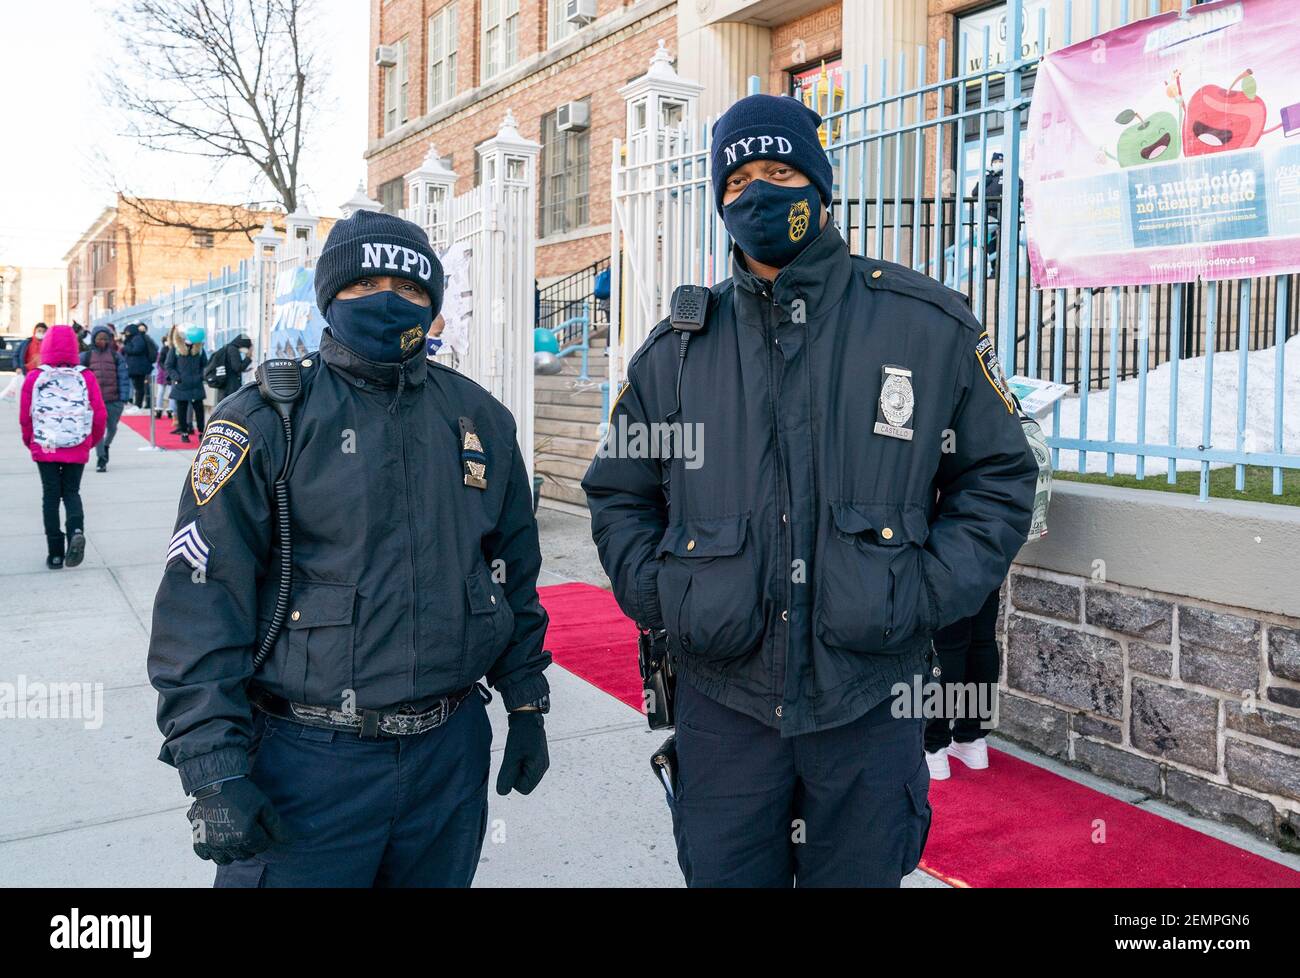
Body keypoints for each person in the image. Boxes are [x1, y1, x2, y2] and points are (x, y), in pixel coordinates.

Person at [582, 94, 1037, 888]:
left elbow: (998, 477)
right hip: (723, 702)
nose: (761, 192)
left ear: (820, 186)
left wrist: (925, 593)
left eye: (782, 170)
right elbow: (620, 489)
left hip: (870, 700)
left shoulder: (925, 325)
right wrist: (663, 595)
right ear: (720, 202)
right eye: (740, 180)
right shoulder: (677, 353)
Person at [147, 210, 552, 887]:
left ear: (435, 302)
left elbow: (512, 577)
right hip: (306, 764)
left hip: (448, 759)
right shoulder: (265, 419)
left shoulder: (479, 418)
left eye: (411, 286)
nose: (389, 298)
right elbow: (200, 604)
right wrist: (212, 770)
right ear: (330, 297)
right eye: (365, 282)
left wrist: (527, 703)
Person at [19, 325, 106, 569]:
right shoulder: (85, 376)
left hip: (45, 445)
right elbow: (99, 414)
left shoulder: (36, 376)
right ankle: (76, 530)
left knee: (50, 496)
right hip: (76, 444)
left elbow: (26, 417)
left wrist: (31, 442)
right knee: (71, 492)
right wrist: (90, 442)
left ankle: (55, 554)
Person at [81, 324, 131, 472]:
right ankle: (101, 458)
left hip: (114, 400)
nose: (102, 340)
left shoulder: (116, 356)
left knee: (112, 428)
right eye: (99, 338)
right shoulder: (86, 356)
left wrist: (124, 398)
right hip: (95, 402)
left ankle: (106, 446)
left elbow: (123, 378)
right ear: (94, 339)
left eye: (105, 338)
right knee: (99, 430)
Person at [165, 324, 208, 442]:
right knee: (181, 410)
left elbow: (205, 364)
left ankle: (201, 432)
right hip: (181, 385)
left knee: (199, 410)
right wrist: (176, 377)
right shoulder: (176, 349)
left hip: (196, 385)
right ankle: (184, 432)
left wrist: (201, 376)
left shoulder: (199, 349)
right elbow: (169, 365)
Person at [203, 333, 253, 405]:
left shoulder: (227, 348)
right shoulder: (233, 350)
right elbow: (237, 368)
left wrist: (244, 369)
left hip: (224, 387)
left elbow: (230, 366)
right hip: (230, 387)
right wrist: (248, 357)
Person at [123, 323, 159, 410]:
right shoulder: (136, 338)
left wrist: (125, 347)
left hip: (139, 368)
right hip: (138, 367)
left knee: (139, 386)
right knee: (139, 386)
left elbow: (136, 349)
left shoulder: (137, 338)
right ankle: (139, 404)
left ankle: (138, 405)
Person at [155, 329, 176, 421]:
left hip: (169, 374)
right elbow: (160, 361)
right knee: (161, 392)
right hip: (164, 374)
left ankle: (170, 410)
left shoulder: (174, 348)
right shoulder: (165, 348)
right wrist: (167, 369)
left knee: (170, 393)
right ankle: (159, 409)